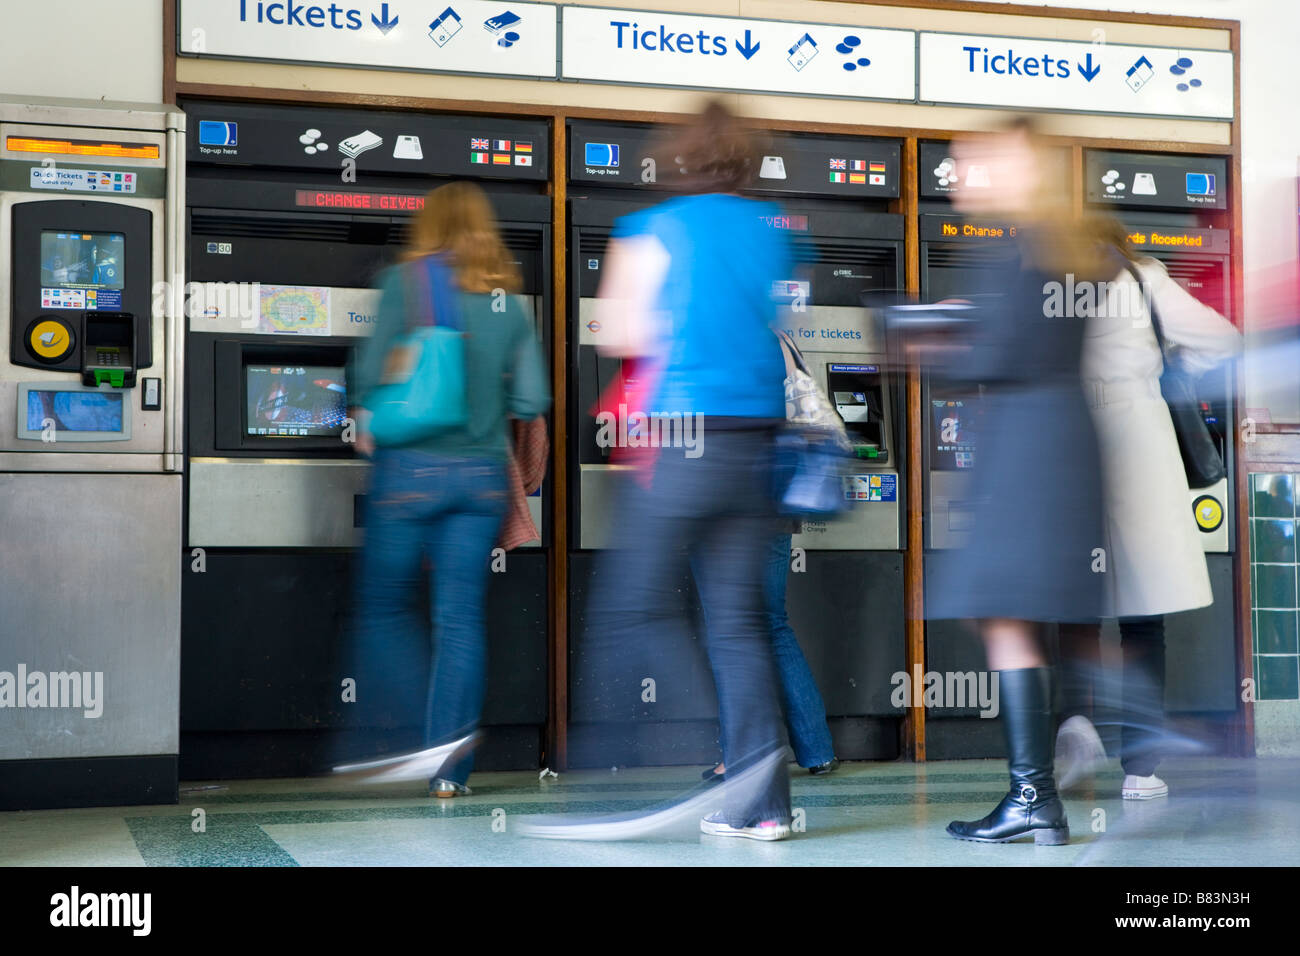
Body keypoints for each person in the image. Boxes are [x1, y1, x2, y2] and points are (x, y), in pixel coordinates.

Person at [578, 99, 795, 841]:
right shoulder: (771, 229)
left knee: (628, 607)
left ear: (680, 154)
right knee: (738, 626)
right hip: (757, 442)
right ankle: (763, 805)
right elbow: (775, 317)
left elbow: (618, 332)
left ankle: (645, 776)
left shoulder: (653, 227)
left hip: (681, 434)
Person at [922, 118, 1110, 845]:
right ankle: (1043, 783)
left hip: (1027, 454)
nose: (957, 175)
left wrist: (934, 334)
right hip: (1064, 447)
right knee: (1014, 615)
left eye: (970, 162)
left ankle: (1035, 795)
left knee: (1002, 615)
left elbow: (995, 355)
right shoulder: (1071, 245)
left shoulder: (1018, 248)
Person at [348, 180, 549, 798]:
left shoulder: (402, 286)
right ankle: (448, 772)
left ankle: (408, 737)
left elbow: (365, 384)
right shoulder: (505, 303)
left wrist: (371, 413)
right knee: (459, 621)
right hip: (482, 477)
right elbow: (533, 398)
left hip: (411, 471)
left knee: (384, 607)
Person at [1055, 215, 1242, 800]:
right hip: (1140, 439)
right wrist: (1176, 365)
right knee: (1144, 613)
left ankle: (1076, 725)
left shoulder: (1050, 284)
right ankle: (1141, 769)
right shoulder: (1145, 279)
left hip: (1068, 440)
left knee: (1076, 605)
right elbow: (1225, 339)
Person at [698, 527, 839, 782]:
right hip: (774, 516)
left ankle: (739, 757)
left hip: (721, 519)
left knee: (728, 631)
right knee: (773, 624)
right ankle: (818, 751)